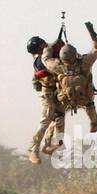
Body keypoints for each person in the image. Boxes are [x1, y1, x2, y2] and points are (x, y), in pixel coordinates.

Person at [41, 21, 97, 144]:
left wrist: (48, 47)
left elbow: (45, 59)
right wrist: (92, 34)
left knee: (59, 117)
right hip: (82, 98)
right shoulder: (85, 63)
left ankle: (60, 139)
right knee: (89, 106)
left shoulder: (58, 66)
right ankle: (94, 123)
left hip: (66, 99)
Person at [27, 32, 64, 164]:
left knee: (59, 120)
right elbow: (49, 68)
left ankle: (49, 145)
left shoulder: (50, 55)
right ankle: (33, 150)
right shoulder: (40, 61)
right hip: (47, 93)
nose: (44, 46)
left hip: (57, 92)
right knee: (46, 119)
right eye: (41, 46)